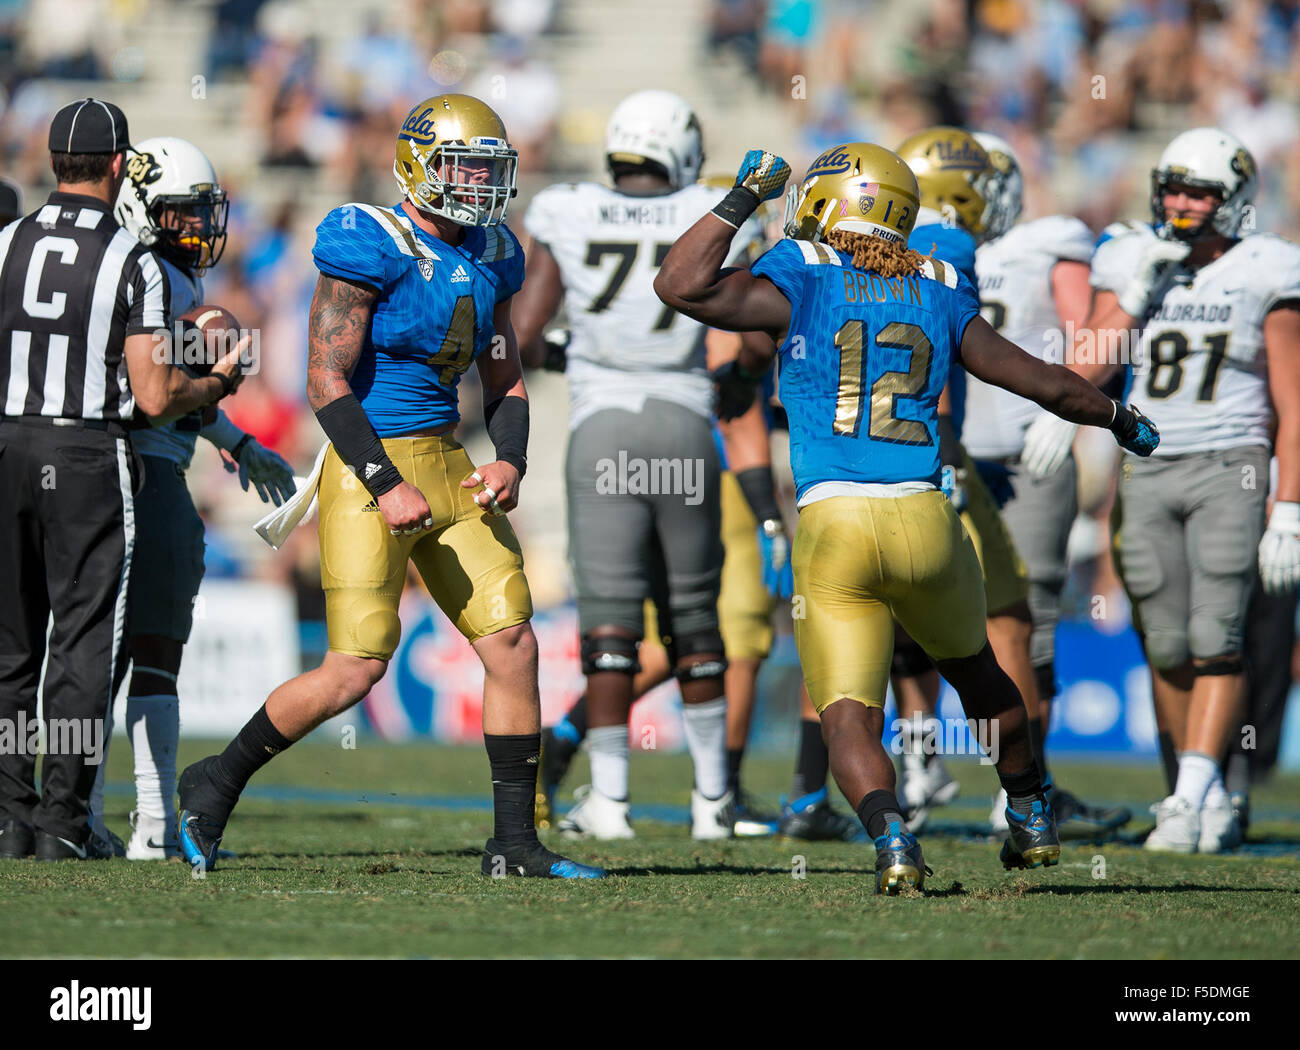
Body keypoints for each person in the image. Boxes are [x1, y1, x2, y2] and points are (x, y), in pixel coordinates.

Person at [654, 142, 1160, 892]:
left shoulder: (803, 272)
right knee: (983, 679)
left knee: (849, 712)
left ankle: (892, 838)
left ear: (832, 204)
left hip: (834, 525)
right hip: (927, 516)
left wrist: (742, 198)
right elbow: (1042, 381)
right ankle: (1028, 808)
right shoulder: (940, 283)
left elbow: (680, 283)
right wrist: (1118, 417)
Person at [174, 94, 602, 879]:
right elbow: (325, 379)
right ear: (416, 164)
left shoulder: (495, 251)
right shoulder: (370, 238)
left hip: (446, 459)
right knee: (356, 665)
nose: (478, 182)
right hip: (368, 464)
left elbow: (505, 379)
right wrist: (381, 482)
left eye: (488, 167)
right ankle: (215, 780)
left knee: (512, 640)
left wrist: (510, 460)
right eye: (463, 166)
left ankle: (513, 843)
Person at [512, 90, 761, 839]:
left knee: (611, 626)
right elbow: (745, 345)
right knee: (695, 619)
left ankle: (612, 802)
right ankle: (714, 801)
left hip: (603, 429)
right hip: (686, 423)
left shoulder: (570, 208)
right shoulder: (714, 207)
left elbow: (525, 336)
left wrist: (574, 351)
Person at [0, 98, 243, 861]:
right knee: (81, 646)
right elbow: (155, 395)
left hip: (6, 445)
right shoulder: (132, 260)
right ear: (117, 166)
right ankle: (63, 821)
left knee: (10, 648)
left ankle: (8, 817)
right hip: (84, 458)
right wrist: (219, 386)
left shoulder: (4, 241)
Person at [1080, 127, 1300, 853]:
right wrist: (1135, 290)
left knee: (1216, 634)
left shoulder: (1266, 267)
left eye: (1197, 192)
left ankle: (1192, 797)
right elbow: (1083, 368)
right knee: (1167, 642)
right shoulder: (1132, 254)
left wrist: (1288, 506)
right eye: (1172, 187)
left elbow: (1293, 402)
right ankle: (1193, 784)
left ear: (1233, 200)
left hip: (1231, 462)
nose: (1179, 203)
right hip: (1145, 460)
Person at [85, 136, 296, 860]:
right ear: (144, 209)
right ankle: (148, 824)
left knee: (99, 656)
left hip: (112, 471)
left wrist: (235, 440)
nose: (201, 229)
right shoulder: (154, 279)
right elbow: (159, 398)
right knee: (152, 651)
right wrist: (223, 394)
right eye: (182, 214)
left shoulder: (145, 271)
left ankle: (77, 816)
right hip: (142, 472)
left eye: (205, 212)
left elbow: (179, 395)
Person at [962, 131, 1132, 839]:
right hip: (946, 456)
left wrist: (1069, 414)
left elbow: (1088, 334)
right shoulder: (914, 248)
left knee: (1026, 624)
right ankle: (914, 770)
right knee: (910, 621)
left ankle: (1027, 789)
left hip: (1028, 458)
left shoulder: (1044, 243)